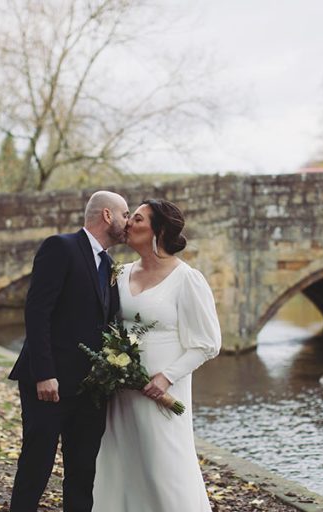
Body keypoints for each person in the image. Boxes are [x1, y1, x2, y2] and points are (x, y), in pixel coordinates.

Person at [92, 199, 222, 511]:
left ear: (159, 231)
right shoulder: (119, 273)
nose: (128, 223)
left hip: (162, 392)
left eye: (137, 219)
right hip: (122, 390)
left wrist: (166, 377)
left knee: (165, 467)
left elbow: (208, 343)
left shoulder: (187, 279)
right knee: (119, 463)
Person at [9, 191, 130, 512]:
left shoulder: (110, 264)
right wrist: (44, 373)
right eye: (125, 214)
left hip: (91, 388)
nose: (128, 221)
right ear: (107, 215)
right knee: (37, 463)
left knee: (82, 469)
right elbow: (38, 312)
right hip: (50, 383)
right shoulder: (60, 247)